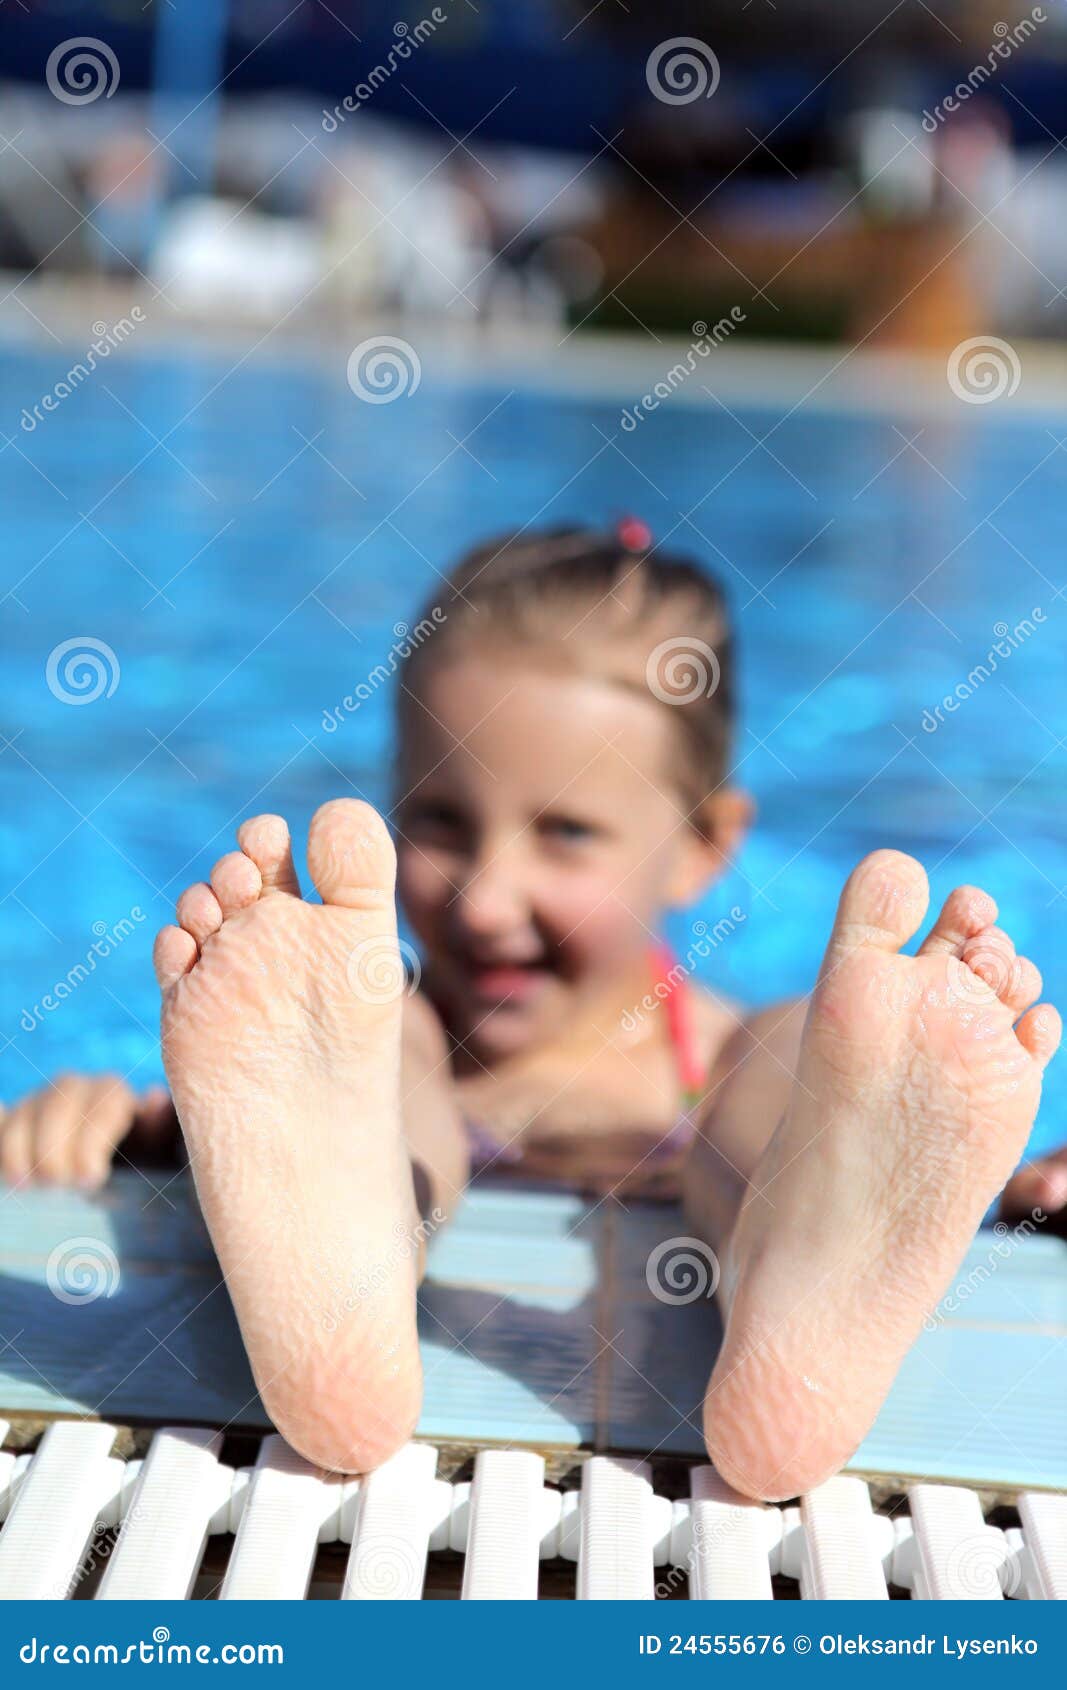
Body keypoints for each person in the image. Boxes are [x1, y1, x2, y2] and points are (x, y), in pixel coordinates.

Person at [2, 525, 1060, 1501]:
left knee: (795, 1042)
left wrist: (1009, 1199)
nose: (484, 898)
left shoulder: (730, 1053)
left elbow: (891, 1130)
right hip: (379, 1086)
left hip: (734, 1107)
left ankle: (813, 1247)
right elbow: (226, 1099)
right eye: (439, 821)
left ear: (701, 844)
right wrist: (132, 1132)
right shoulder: (369, 1036)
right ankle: (346, 1261)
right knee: (392, 1026)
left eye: (564, 833)